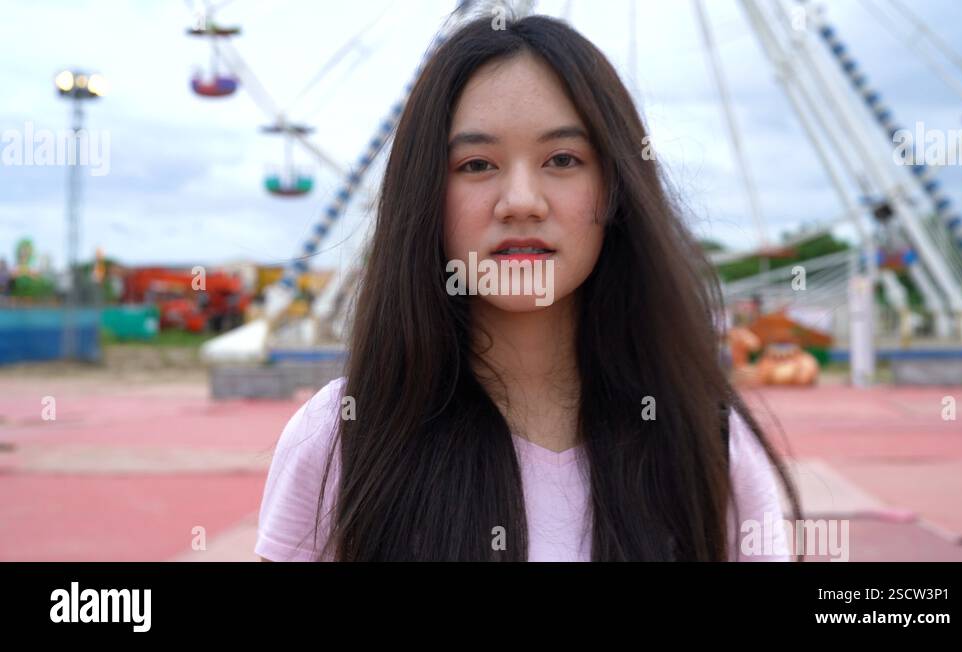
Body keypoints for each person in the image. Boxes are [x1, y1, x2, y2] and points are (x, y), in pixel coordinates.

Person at [255, 11, 800, 562]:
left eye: (562, 160)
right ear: (426, 196)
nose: (520, 200)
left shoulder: (707, 441)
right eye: (476, 164)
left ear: (614, 188)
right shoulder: (342, 437)